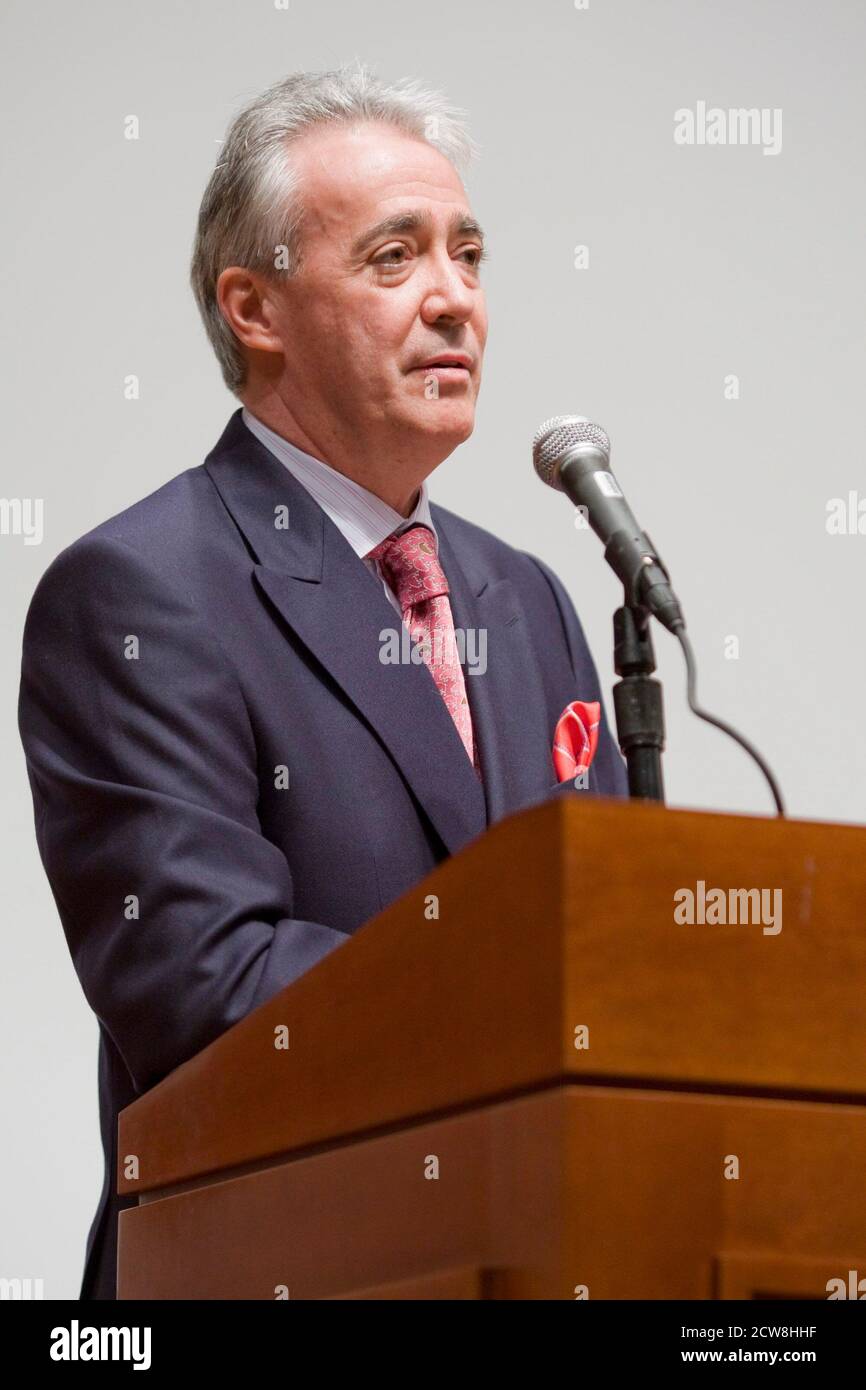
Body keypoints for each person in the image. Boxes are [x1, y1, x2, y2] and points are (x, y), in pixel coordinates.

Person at [17, 61, 627, 1302]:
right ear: (255, 307)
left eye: (468, 253)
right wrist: (543, 1014)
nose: (455, 300)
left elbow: (615, 934)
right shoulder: (143, 591)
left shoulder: (528, 596)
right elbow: (208, 985)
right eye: (395, 257)